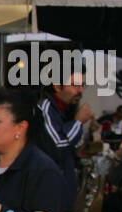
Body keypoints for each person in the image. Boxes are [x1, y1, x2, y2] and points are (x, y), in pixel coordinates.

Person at [37, 71, 93, 201]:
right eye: (75, 85)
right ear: (57, 86)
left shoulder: (63, 109)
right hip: (47, 193)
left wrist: (77, 152)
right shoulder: (45, 108)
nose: (81, 91)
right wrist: (78, 122)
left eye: (83, 86)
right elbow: (57, 147)